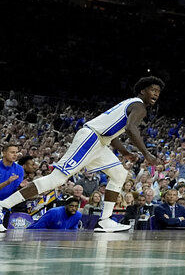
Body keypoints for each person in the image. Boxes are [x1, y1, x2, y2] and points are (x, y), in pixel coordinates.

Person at [0, 76, 164, 233]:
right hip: (91, 138)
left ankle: (105, 220)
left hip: (100, 142)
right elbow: (131, 128)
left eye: (158, 91)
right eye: (153, 90)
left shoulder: (130, 104)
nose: (156, 93)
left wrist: (126, 153)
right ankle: (3, 206)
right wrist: (147, 154)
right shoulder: (139, 106)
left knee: (119, 174)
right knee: (56, 179)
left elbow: (112, 136)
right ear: (142, 91)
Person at [0, 143, 24, 233]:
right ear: (4, 153)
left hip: (6, 207)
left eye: (16, 152)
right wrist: (7, 182)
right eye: (12, 152)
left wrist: (22, 187)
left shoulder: (19, 169)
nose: (15, 155)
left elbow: (16, 189)